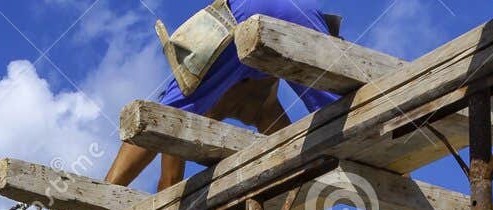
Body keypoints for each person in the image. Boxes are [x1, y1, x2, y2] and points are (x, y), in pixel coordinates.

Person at [107, 0, 342, 193]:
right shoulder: (265, 108)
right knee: (344, 116)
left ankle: (103, 197)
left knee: (162, 117)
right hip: (303, 9)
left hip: (244, 13)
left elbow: (169, 181)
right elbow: (292, 150)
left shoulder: (195, 106)